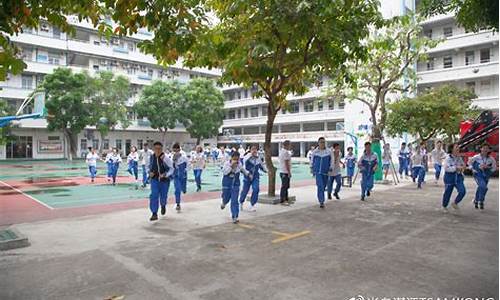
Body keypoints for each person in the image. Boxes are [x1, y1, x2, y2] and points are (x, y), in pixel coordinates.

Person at [220, 152, 251, 223]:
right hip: (227, 183)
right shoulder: (226, 163)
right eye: (235, 159)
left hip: (235, 184)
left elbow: (243, 170)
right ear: (231, 157)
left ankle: (235, 216)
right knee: (226, 197)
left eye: (237, 159)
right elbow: (225, 172)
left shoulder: (239, 164)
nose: (236, 160)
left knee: (234, 200)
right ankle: (224, 202)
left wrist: (248, 174)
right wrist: (231, 166)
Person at [148, 141, 174, 221]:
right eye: (156, 149)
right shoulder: (151, 158)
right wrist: (149, 173)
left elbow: (172, 169)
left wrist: (165, 175)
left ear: (162, 149)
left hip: (164, 181)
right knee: (154, 195)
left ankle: (163, 205)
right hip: (154, 180)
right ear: (153, 149)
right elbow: (147, 167)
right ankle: (154, 213)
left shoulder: (165, 158)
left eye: (159, 149)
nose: (158, 150)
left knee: (163, 196)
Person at [239, 144, 267, 212]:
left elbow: (262, 167)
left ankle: (252, 204)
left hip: (255, 177)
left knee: (256, 189)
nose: (254, 151)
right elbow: (243, 168)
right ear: (250, 150)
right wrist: (248, 174)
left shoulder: (258, 158)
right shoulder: (246, 158)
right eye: (253, 149)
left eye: (255, 149)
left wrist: (267, 171)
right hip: (247, 177)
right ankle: (241, 202)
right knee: (245, 191)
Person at [469, 144, 497, 210]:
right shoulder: (476, 157)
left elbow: (494, 167)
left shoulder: (491, 159)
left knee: (481, 187)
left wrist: (488, 168)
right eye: (483, 148)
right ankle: (481, 201)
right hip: (478, 175)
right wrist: (472, 169)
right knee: (484, 187)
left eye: (487, 148)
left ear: (489, 150)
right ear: (480, 149)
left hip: (486, 175)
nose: (485, 149)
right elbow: (469, 163)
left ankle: (476, 200)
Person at [442, 143, 466, 212]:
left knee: (462, 191)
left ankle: (455, 202)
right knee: (447, 193)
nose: (458, 148)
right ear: (452, 149)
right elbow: (446, 168)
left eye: (458, 147)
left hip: (458, 177)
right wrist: (456, 168)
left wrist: (463, 167)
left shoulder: (459, 158)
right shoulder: (448, 158)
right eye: (456, 147)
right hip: (449, 177)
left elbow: (463, 165)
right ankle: (444, 206)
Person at [310, 137, 332, 208]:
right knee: (320, 186)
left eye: (323, 142)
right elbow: (312, 161)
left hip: (325, 172)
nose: (322, 143)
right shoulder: (315, 152)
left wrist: (331, 168)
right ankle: (321, 201)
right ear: (318, 143)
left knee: (324, 186)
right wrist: (311, 168)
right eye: (321, 142)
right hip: (318, 172)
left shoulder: (329, 151)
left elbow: (332, 160)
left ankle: (321, 198)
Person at [172, 143, 188, 212]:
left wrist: (185, 170)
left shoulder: (184, 156)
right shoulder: (172, 156)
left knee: (183, 189)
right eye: (174, 151)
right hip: (176, 176)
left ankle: (184, 189)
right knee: (177, 189)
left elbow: (188, 164)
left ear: (179, 149)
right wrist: (173, 160)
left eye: (176, 151)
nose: (175, 152)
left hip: (183, 175)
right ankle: (178, 203)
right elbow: (170, 166)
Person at [279, 140, 292, 206]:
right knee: (284, 187)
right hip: (285, 172)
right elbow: (286, 163)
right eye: (290, 145)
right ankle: (283, 200)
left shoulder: (281, 151)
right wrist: (289, 172)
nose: (290, 146)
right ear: (287, 145)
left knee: (286, 186)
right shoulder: (286, 152)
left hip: (282, 171)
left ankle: (286, 199)